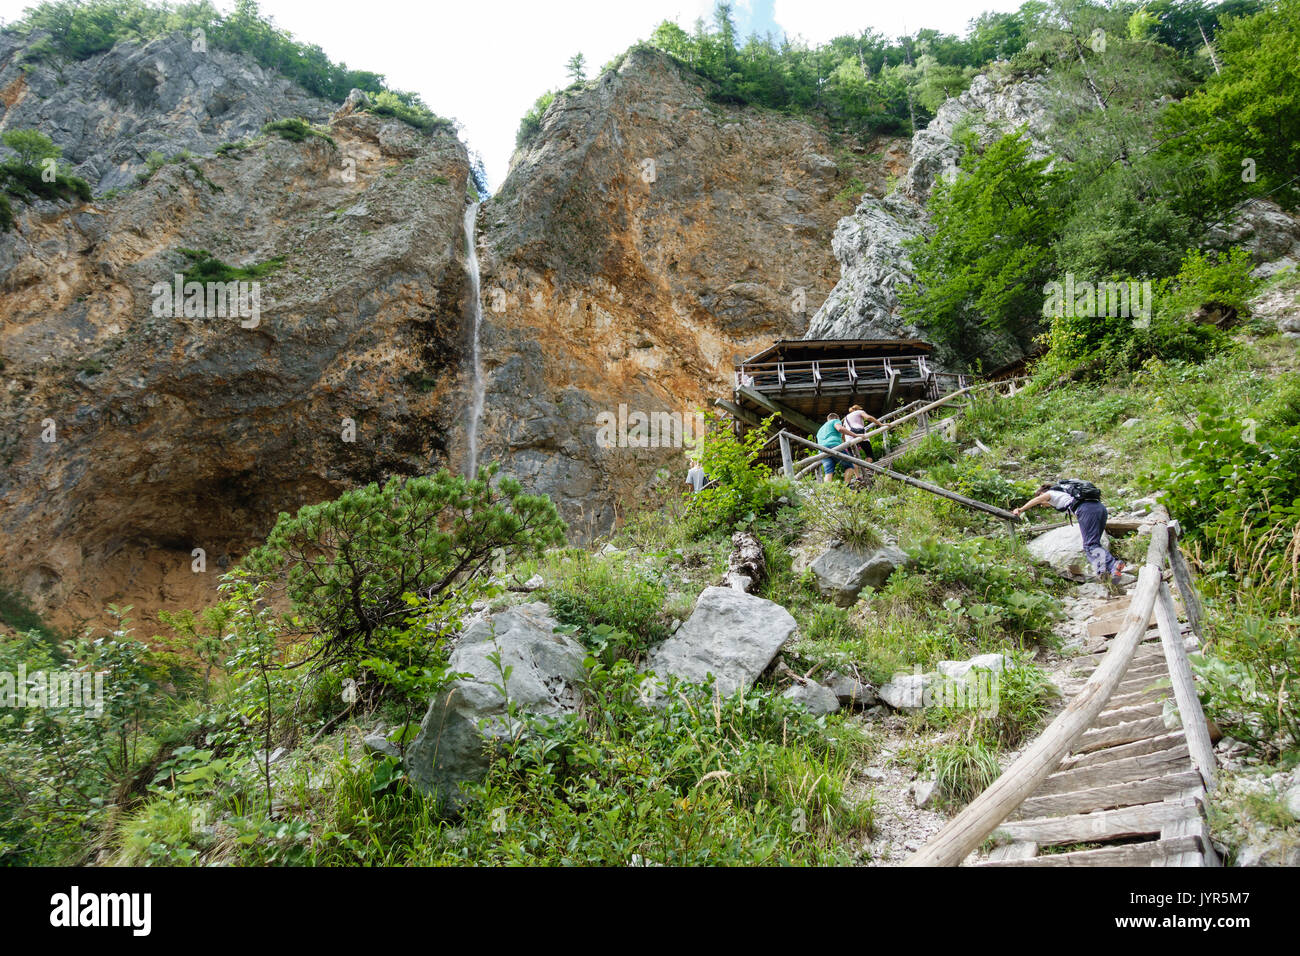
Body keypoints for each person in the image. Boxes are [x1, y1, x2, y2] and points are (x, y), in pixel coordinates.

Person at [1013, 480, 1127, 586]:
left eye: (1041, 503)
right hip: (1099, 507)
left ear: (1042, 494)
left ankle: (1114, 565)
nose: (1042, 505)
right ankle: (1104, 572)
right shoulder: (1065, 492)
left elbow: (1038, 499)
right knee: (1094, 543)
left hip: (1087, 510)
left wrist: (1021, 509)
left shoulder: (1051, 493)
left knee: (1090, 545)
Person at [815, 413, 854, 483]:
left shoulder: (820, 430)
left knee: (828, 472)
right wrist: (855, 435)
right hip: (833, 446)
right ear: (837, 418)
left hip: (822, 450)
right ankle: (846, 487)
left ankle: (827, 492)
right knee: (849, 465)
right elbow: (839, 428)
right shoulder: (835, 421)